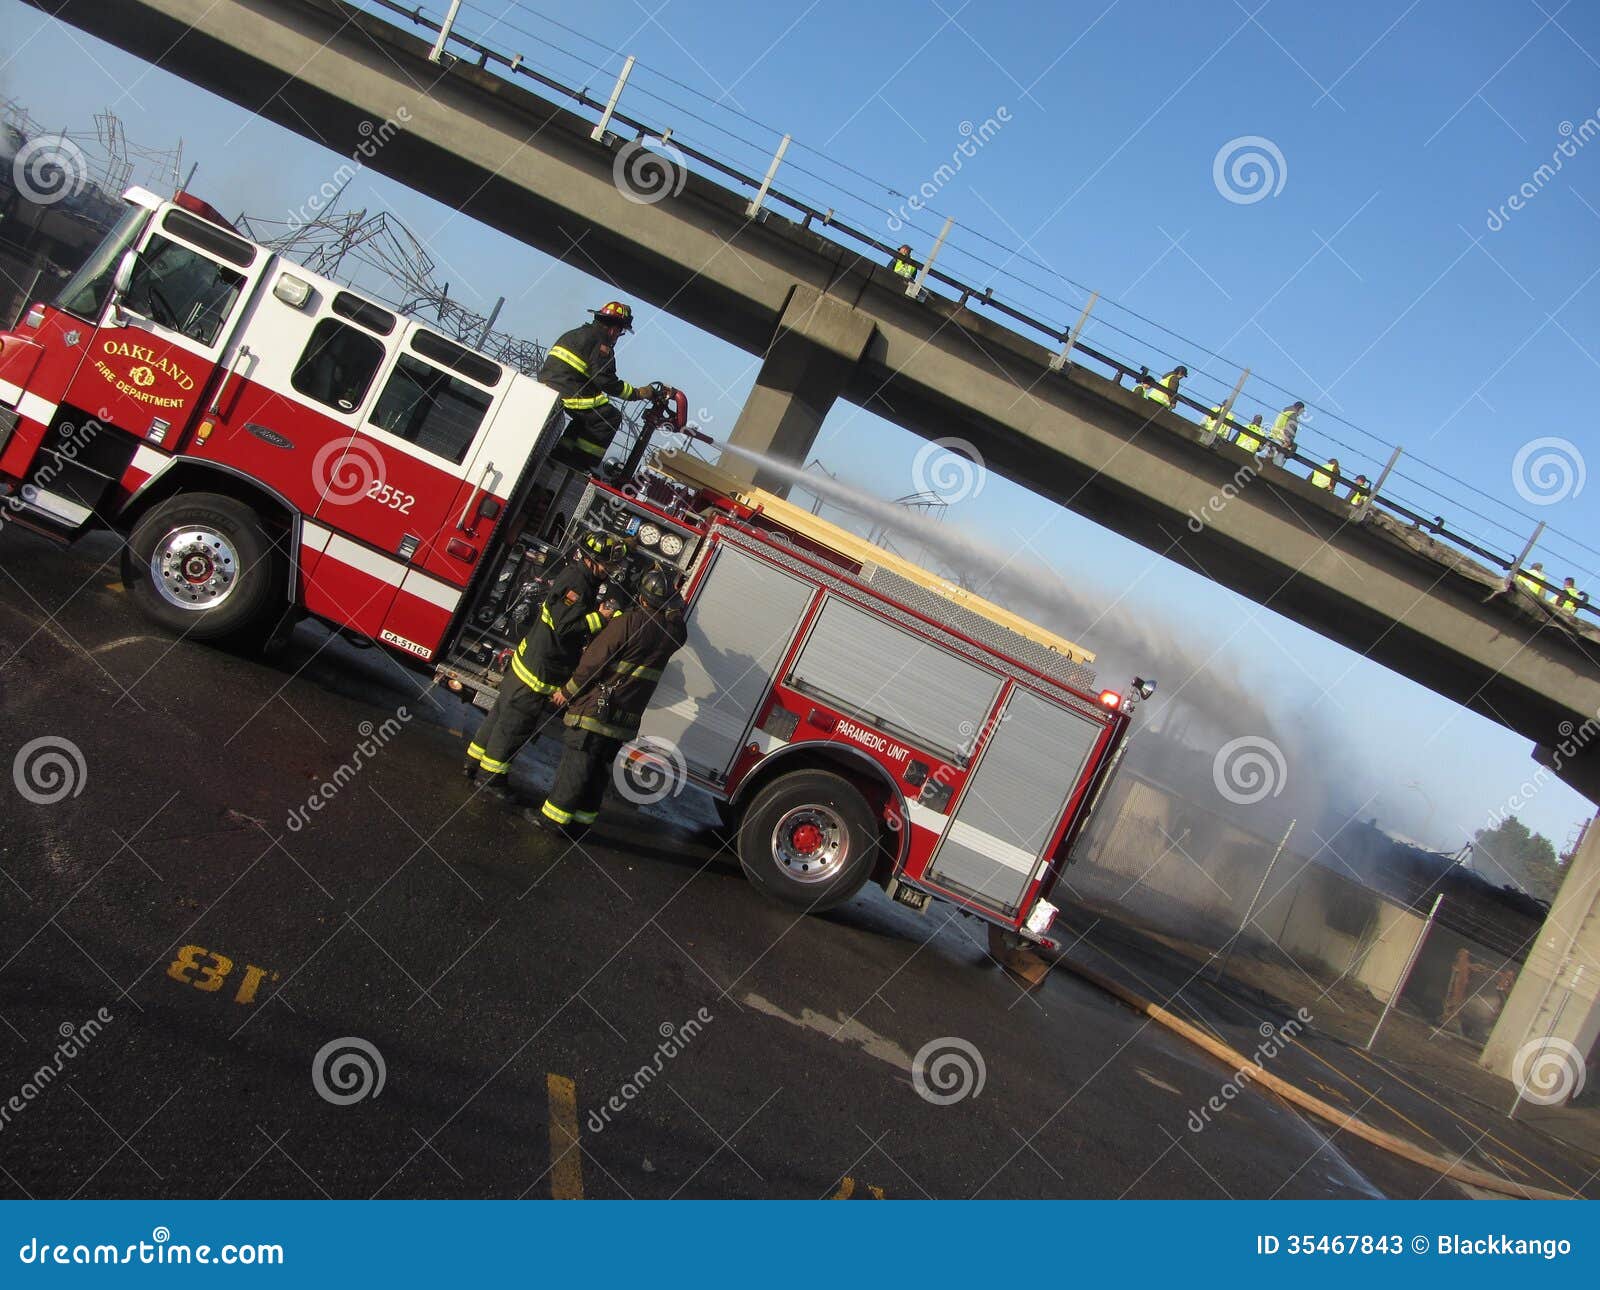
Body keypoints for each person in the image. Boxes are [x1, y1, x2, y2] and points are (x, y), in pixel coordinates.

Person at [530, 566, 689, 841]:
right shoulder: (671, 634)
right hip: (624, 719)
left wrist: (567, 693)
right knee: (598, 772)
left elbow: (592, 663)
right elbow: (679, 625)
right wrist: (673, 605)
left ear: (641, 598)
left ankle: (552, 820)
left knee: (577, 766)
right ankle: (581, 824)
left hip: (597, 710)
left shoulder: (626, 623)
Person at [464, 531, 626, 793]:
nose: (612, 570)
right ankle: (491, 779)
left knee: (499, 718)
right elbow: (565, 626)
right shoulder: (578, 584)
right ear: (592, 560)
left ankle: (473, 762)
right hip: (537, 673)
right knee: (513, 729)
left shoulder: (581, 577)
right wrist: (601, 618)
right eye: (609, 565)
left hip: (528, 665)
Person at [538, 301, 665, 475]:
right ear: (613, 329)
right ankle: (579, 463)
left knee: (586, 420)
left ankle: (562, 454)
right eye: (620, 332)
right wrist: (638, 393)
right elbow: (606, 381)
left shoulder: (578, 333)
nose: (617, 336)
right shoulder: (601, 345)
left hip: (552, 384)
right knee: (609, 418)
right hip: (568, 392)